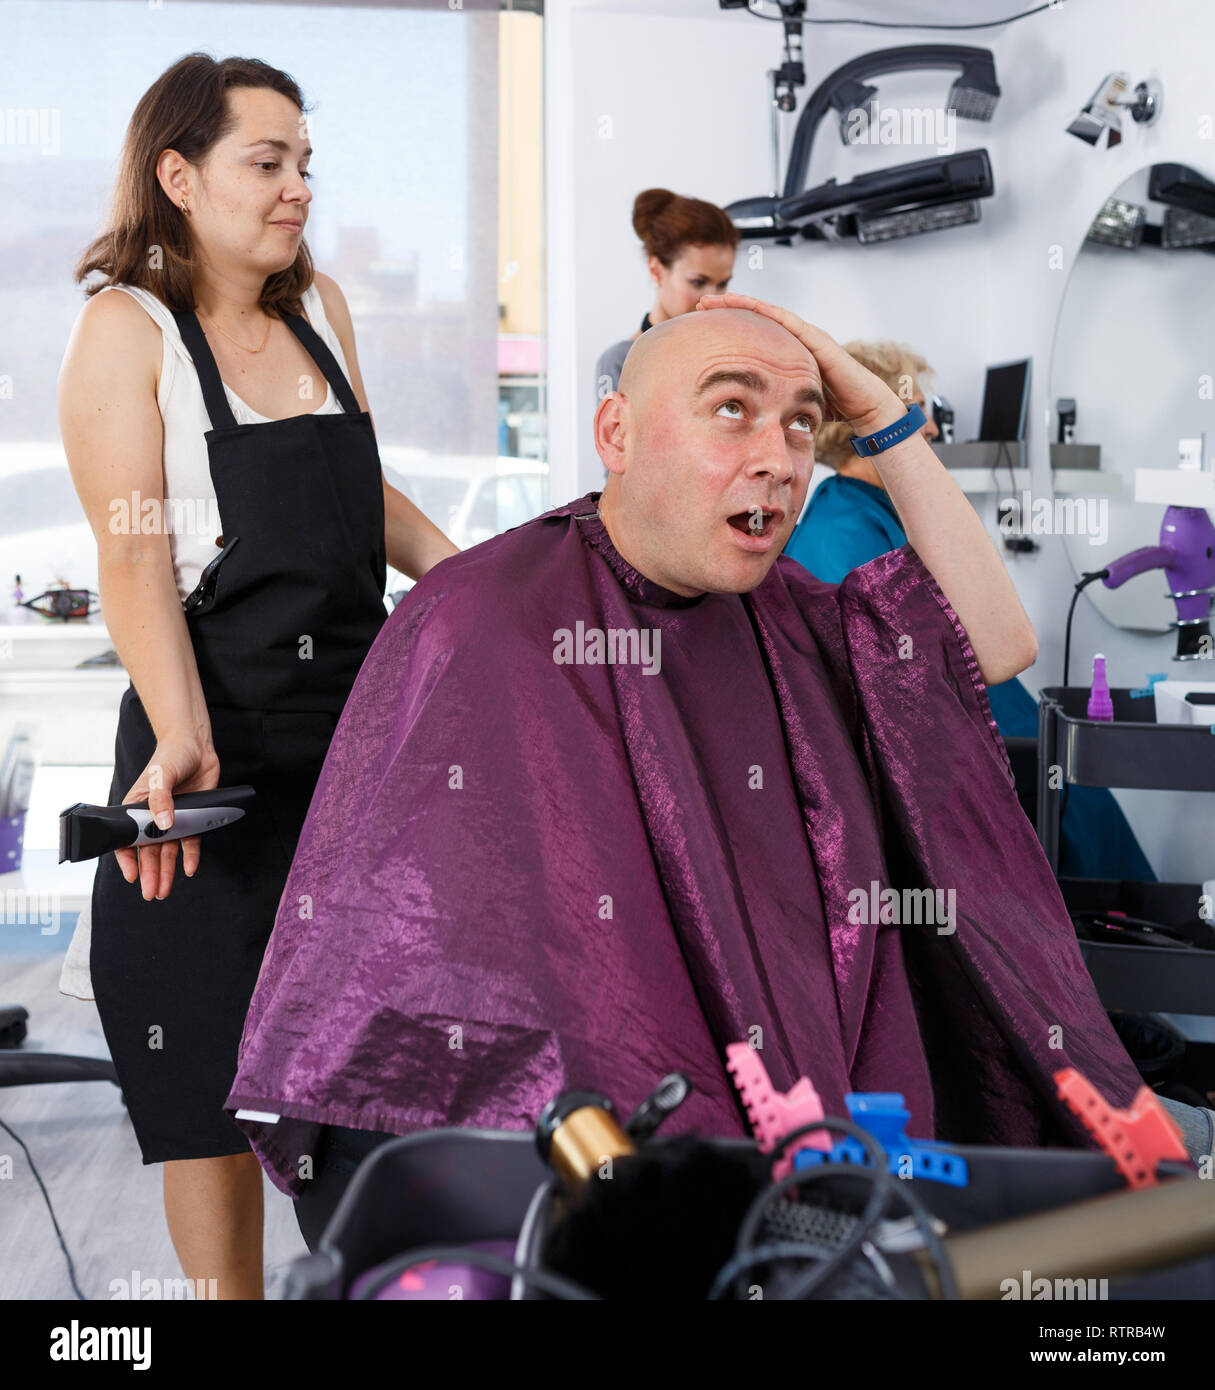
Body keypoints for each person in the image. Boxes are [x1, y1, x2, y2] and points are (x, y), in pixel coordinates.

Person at [224, 291, 1212, 1247]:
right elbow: (403, 979)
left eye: (799, 425)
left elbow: (993, 640)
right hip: (572, 1171)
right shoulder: (479, 619)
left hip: (796, 1127)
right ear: (616, 434)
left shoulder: (790, 611)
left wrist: (879, 416)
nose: (776, 457)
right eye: (731, 409)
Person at [56, 53, 457, 1298]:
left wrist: (461, 577)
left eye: (304, 164)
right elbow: (131, 548)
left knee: (376, 1070)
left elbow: (357, 491)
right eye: (266, 163)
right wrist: (179, 735)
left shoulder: (320, 308)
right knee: (212, 1086)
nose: (296, 190)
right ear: (180, 176)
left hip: (358, 747)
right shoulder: (129, 328)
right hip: (209, 748)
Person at [784, 339, 1155, 884]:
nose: (932, 428)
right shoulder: (843, 531)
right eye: (916, 413)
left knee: (1084, 800)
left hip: (1002, 735)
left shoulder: (883, 512)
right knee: (1078, 809)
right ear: (863, 423)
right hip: (972, 757)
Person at [593, 187, 738, 409]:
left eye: (722, 284)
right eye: (697, 282)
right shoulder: (621, 361)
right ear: (656, 270)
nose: (713, 300)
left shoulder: (735, 356)